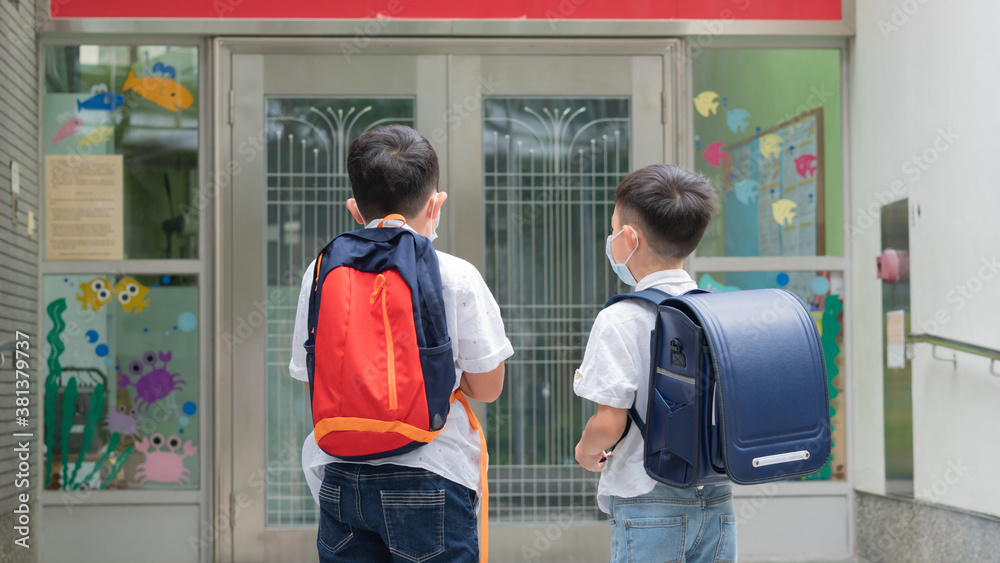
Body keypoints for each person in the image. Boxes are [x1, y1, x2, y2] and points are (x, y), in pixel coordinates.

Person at [288, 124, 513, 562]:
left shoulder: (320, 274)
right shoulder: (456, 275)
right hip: (432, 472)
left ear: (355, 210)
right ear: (435, 204)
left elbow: (312, 380)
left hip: (342, 474)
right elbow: (488, 386)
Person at [573, 164, 736, 563]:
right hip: (717, 501)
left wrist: (584, 450)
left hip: (648, 501)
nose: (610, 238)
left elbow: (609, 423)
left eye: (613, 229)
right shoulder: (716, 311)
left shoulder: (620, 318)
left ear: (629, 238)